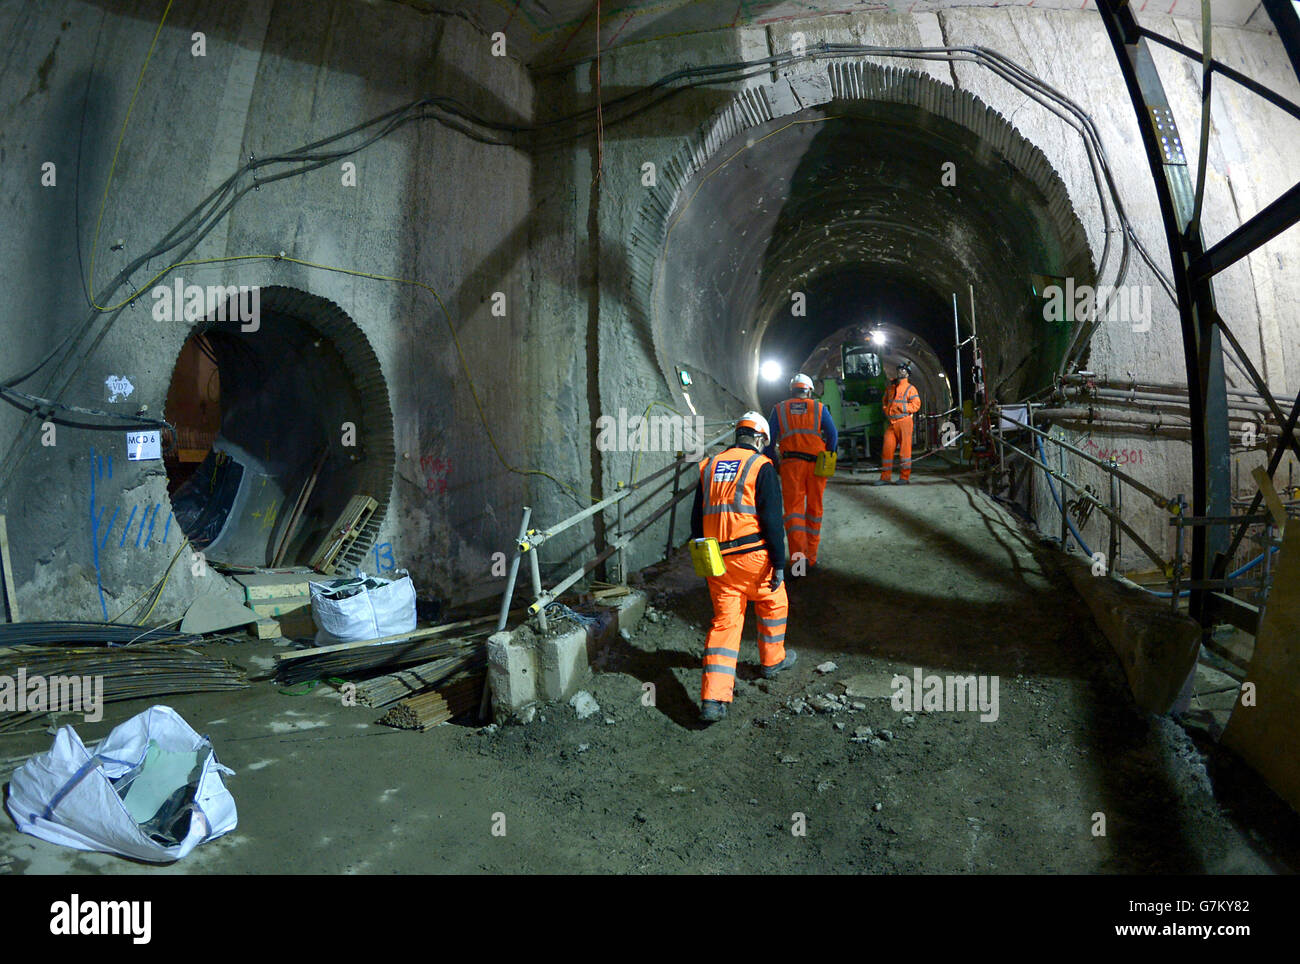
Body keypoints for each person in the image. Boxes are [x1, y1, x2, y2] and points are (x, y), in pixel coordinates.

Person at [690, 412, 796, 724]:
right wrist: (778, 563)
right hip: (753, 557)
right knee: (773, 600)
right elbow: (773, 522)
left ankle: (713, 699)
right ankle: (772, 661)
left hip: (717, 561)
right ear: (761, 439)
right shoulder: (761, 466)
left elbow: (696, 518)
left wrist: (702, 553)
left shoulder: (709, 466)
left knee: (724, 624)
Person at [766, 373, 837, 570]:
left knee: (793, 513)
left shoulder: (779, 409)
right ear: (810, 390)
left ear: (792, 390)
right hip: (817, 465)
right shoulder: (818, 408)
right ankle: (812, 558)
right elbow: (832, 434)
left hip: (791, 466)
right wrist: (830, 455)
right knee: (815, 510)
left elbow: (769, 440)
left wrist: (772, 461)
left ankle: (799, 563)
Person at [876, 361, 921, 485]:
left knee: (904, 451)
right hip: (891, 422)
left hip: (904, 421)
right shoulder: (891, 388)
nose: (901, 371)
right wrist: (886, 410)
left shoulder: (910, 389)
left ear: (908, 374)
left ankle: (904, 477)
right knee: (887, 449)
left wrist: (902, 408)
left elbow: (916, 405)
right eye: (900, 369)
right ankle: (885, 477)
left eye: (903, 370)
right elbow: (884, 401)